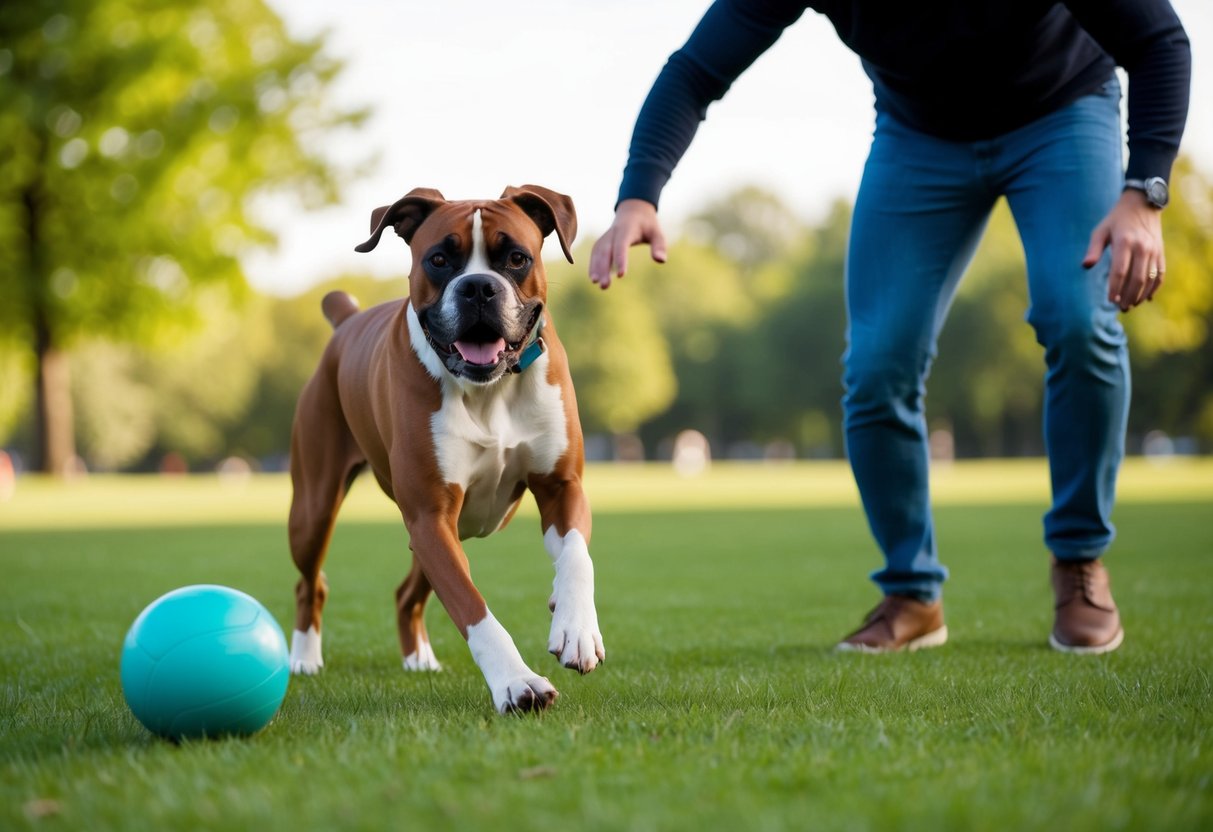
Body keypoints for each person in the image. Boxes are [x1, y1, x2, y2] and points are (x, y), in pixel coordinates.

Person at [588, 0, 1191, 654]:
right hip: (919, 139)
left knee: (1076, 317)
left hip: (1062, 112)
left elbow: (1158, 40)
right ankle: (912, 592)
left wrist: (1144, 192)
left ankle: (1078, 564)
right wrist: (638, 195)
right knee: (877, 365)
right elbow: (695, 72)